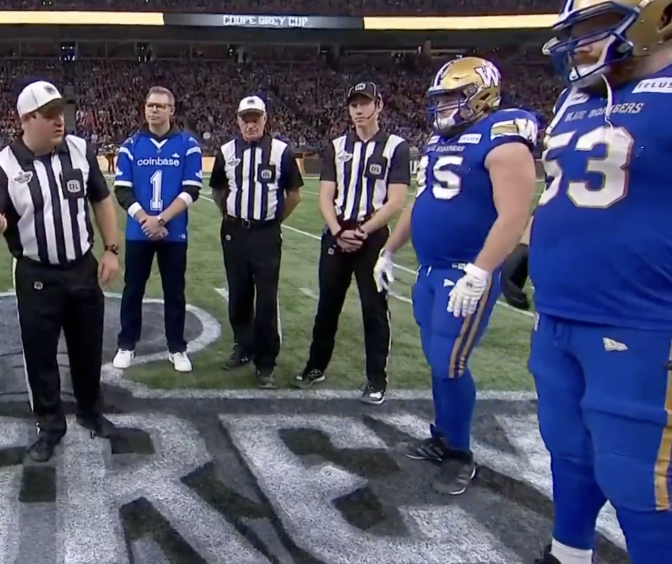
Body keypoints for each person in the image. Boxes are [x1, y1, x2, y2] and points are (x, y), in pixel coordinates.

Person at [520, 0, 672, 564]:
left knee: (640, 477)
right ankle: (568, 553)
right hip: (559, 316)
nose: (581, 43)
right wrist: (528, 248)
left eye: (595, 26)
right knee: (569, 450)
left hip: (642, 322)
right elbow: (564, 188)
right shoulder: (580, 97)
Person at [373, 56, 537, 495]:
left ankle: (460, 452)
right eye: (440, 98)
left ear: (479, 95)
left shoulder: (503, 138)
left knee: (450, 362)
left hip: (465, 270)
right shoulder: (440, 140)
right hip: (429, 269)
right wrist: (389, 250)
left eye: (451, 97)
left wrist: (483, 271)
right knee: (436, 359)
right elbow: (421, 204)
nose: (443, 106)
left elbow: (515, 213)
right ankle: (442, 435)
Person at [0, 80, 120, 463]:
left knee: (88, 349)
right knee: (41, 357)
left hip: (82, 267)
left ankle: (91, 410)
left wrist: (111, 249)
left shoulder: (79, 149)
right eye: (50, 114)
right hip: (37, 275)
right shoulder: (2, 165)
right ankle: (50, 425)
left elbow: (102, 200)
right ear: (26, 119)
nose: (60, 121)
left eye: (62, 112)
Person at [297, 82, 410, 404]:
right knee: (327, 306)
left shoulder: (395, 147)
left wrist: (362, 231)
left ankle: (376, 380)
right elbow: (325, 195)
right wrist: (336, 230)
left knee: (374, 310)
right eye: (353, 105)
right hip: (336, 233)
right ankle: (315, 367)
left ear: (379, 105)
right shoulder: (336, 146)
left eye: (364, 103)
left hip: (371, 237)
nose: (358, 110)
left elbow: (396, 200)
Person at [209, 95, 303, 388]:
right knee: (238, 293)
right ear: (238, 121)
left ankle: (266, 361)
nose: (250, 124)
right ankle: (243, 346)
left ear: (265, 119)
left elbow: (294, 195)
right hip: (235, 231)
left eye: (255, 118)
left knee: (265, 299)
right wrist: (232, 216)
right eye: (245, 119)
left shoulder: (281, 152)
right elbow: (217, 190)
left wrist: (272, 220)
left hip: (265, 233)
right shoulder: (226, 151)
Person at [111, 86, 202, 372]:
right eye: (150, 105)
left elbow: (191, 190)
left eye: (161, 106)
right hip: (139, 232)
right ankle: (126, 344)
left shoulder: (188, 145)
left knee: (174, 291)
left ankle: (177, 347)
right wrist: (146, 220)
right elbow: (123, 190)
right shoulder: (130, 145)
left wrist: (161, 219)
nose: (154, 110)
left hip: (173, 232)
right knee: (133, 290)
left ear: (172, 111)